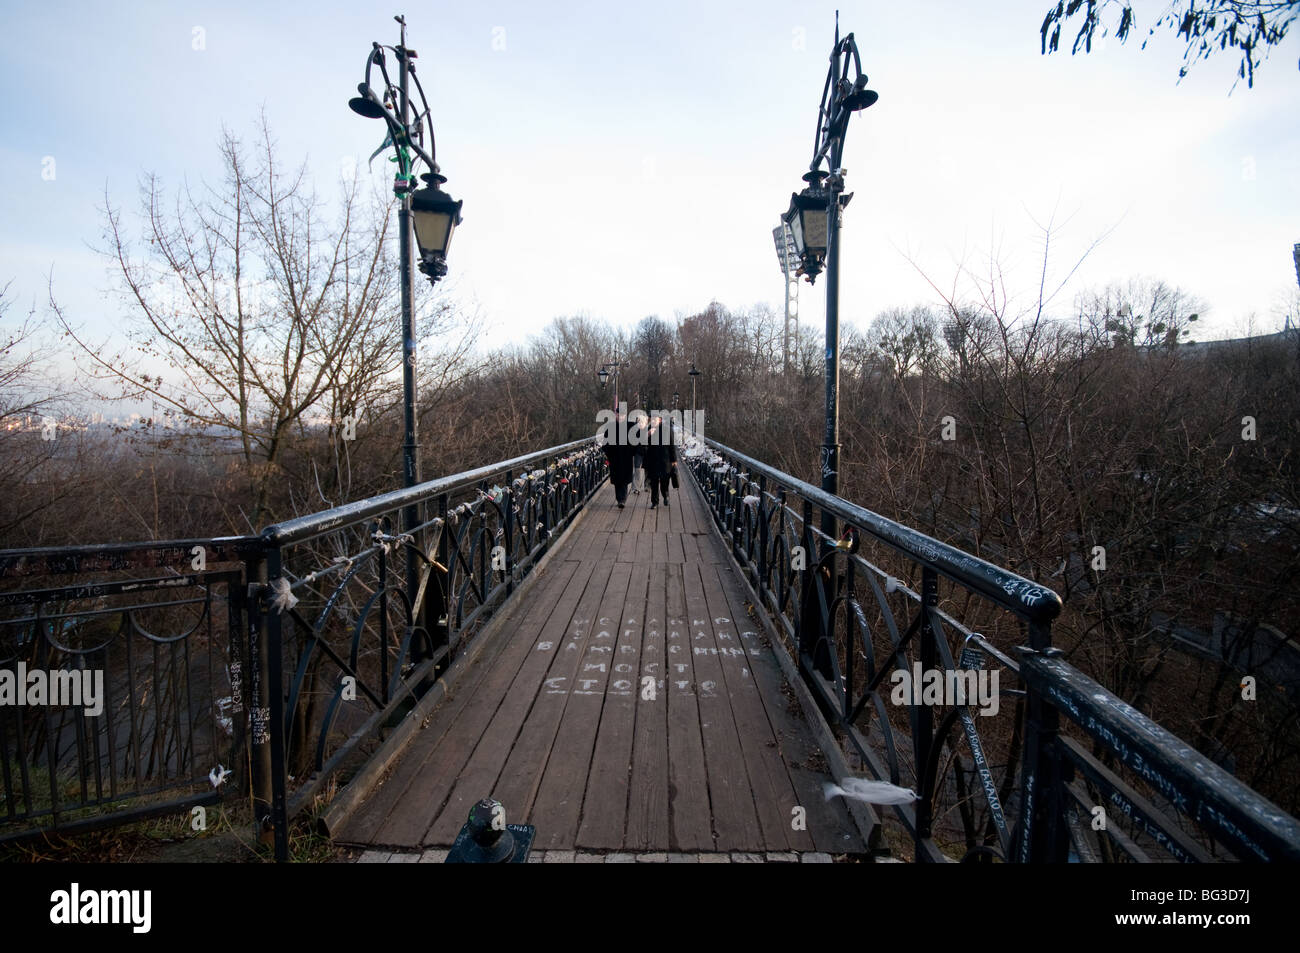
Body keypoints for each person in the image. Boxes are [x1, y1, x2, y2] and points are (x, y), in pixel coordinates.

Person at [642, 414, 677, 509]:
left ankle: (666, 496)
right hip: (652, 460)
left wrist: (674, 459)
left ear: (660, 420)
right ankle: (654, 502)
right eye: (652, 419)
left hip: (665, 460)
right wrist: (648, 435)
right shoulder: (648, 429)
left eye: (655, 419)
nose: (653, 421)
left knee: (664, 481)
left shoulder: (667, 429)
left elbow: (672, 445)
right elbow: (643, 444)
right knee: (654, 482)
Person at [601, 412, 634, 508]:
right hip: (614, 457)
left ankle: (622, 499)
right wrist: (609, 454)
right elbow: (605, 442)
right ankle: (619, 498)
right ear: (616, 415)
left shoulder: (630, 426)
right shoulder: (610, 426)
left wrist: (632, 452)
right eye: (619, 415)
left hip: (626, 457)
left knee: (624, 479)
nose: (621, 417)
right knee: (617, 479)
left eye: (623, 415)